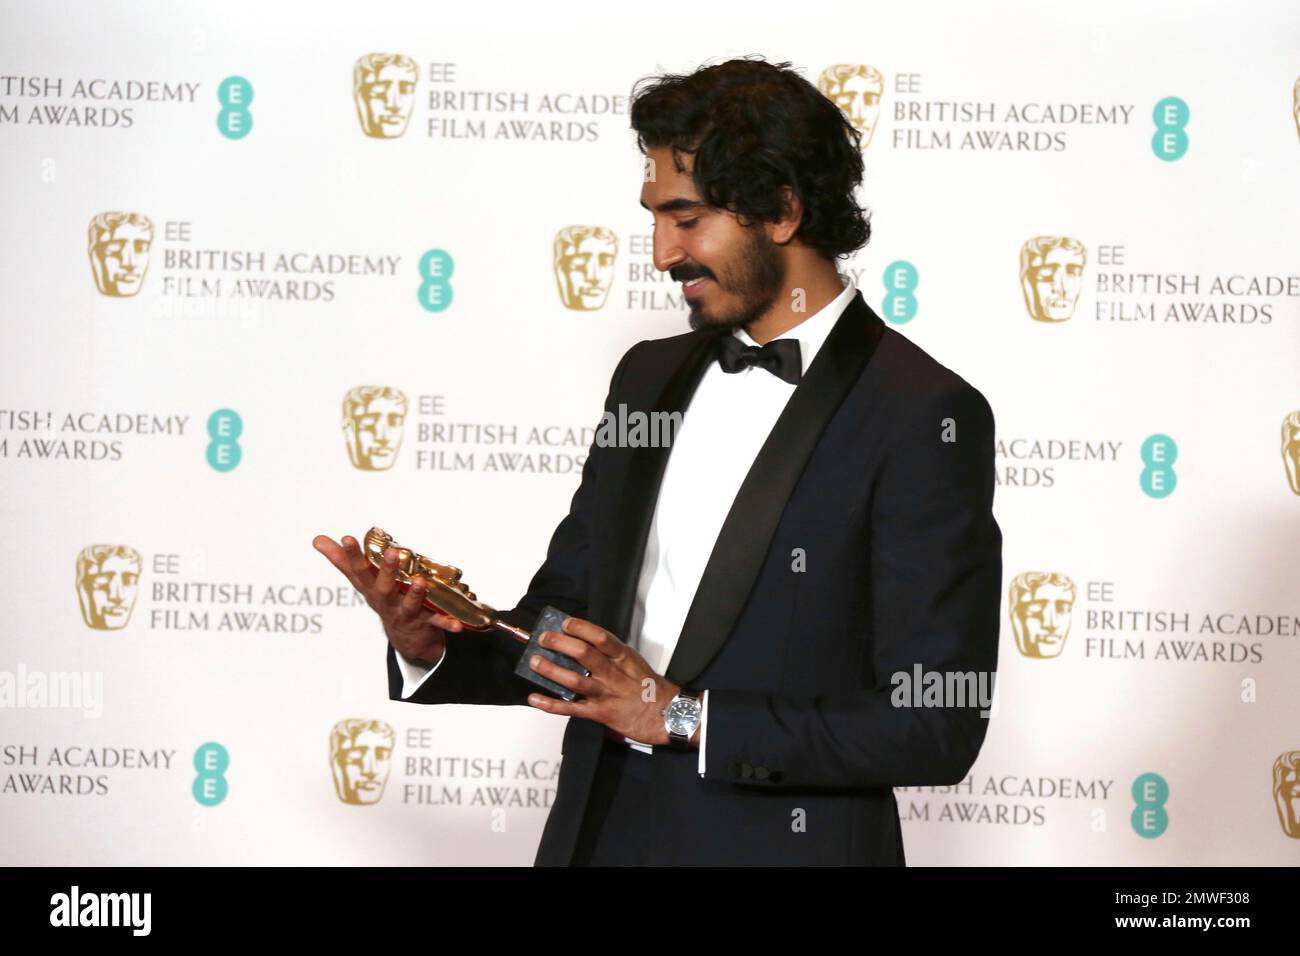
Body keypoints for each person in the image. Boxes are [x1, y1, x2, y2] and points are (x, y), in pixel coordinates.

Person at [314, 56, 1002, 866]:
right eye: (653, 218)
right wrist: (438, 639)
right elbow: (569, 620)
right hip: (597, 840)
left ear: (781, 210)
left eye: (687, 218)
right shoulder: (647, 377)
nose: (660, 254)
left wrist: (681, 717)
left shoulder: (922, 413)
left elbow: (934, 725)